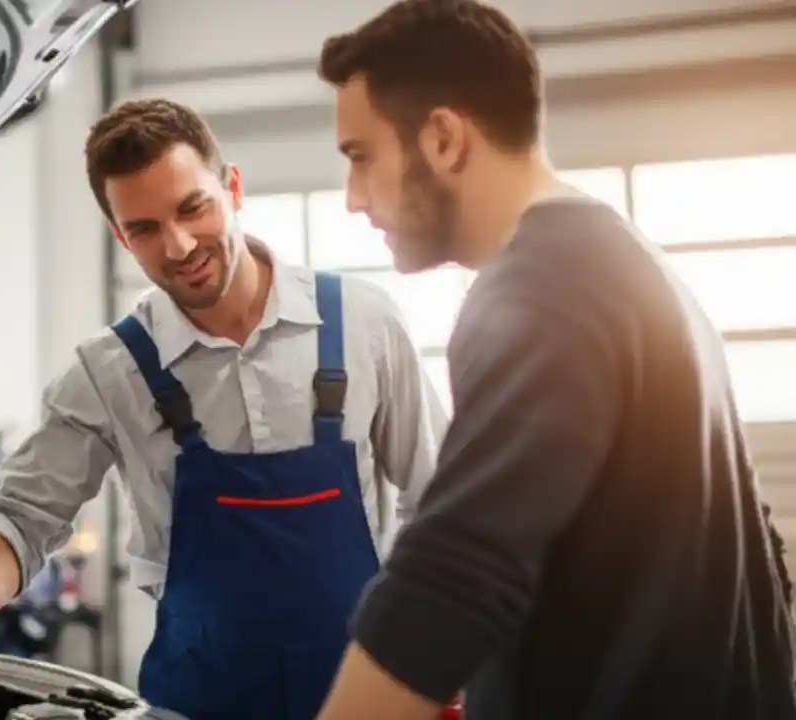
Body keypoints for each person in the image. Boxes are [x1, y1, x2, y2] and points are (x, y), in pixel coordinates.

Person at [0, 98, 447, 718]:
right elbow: (21, 514)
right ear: (119, 235)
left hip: (365, 696)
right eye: (145, 229)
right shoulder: (111, 371)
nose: (179, 246)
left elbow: (443, 498)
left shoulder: (363, 323)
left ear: (232, 188)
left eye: (193, 207)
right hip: (199, 703)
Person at [307, 1, 796, 719]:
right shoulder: (621, 264)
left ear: (442, 139)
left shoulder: (544, 288)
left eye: (360, 157)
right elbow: (759, 553)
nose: (353, 199)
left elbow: (449, 579)